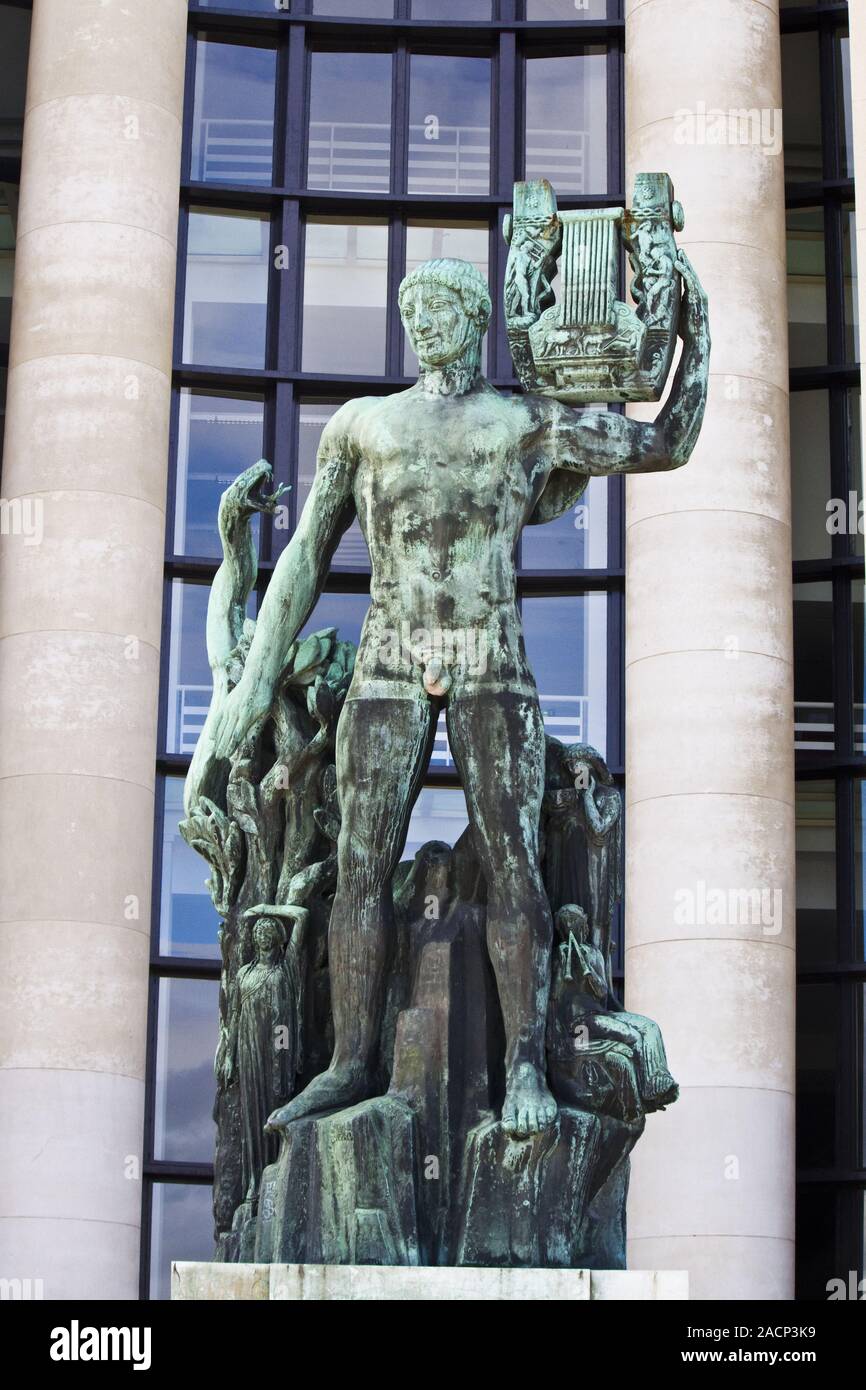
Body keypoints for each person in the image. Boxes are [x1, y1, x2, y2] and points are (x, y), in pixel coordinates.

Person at [211, 253, 709, 1139]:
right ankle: (349, 1063)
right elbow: (304, 557)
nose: (425, 321)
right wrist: (256, 678)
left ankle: (524, 1069)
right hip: (391, 655)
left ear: (475, 319)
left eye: (441, 305)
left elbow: (662, 442)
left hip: (489, 656)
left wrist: (693, 330)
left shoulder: (522, 420)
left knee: (515, 861)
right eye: (414, 308)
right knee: (361, 864)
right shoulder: (363, 427)